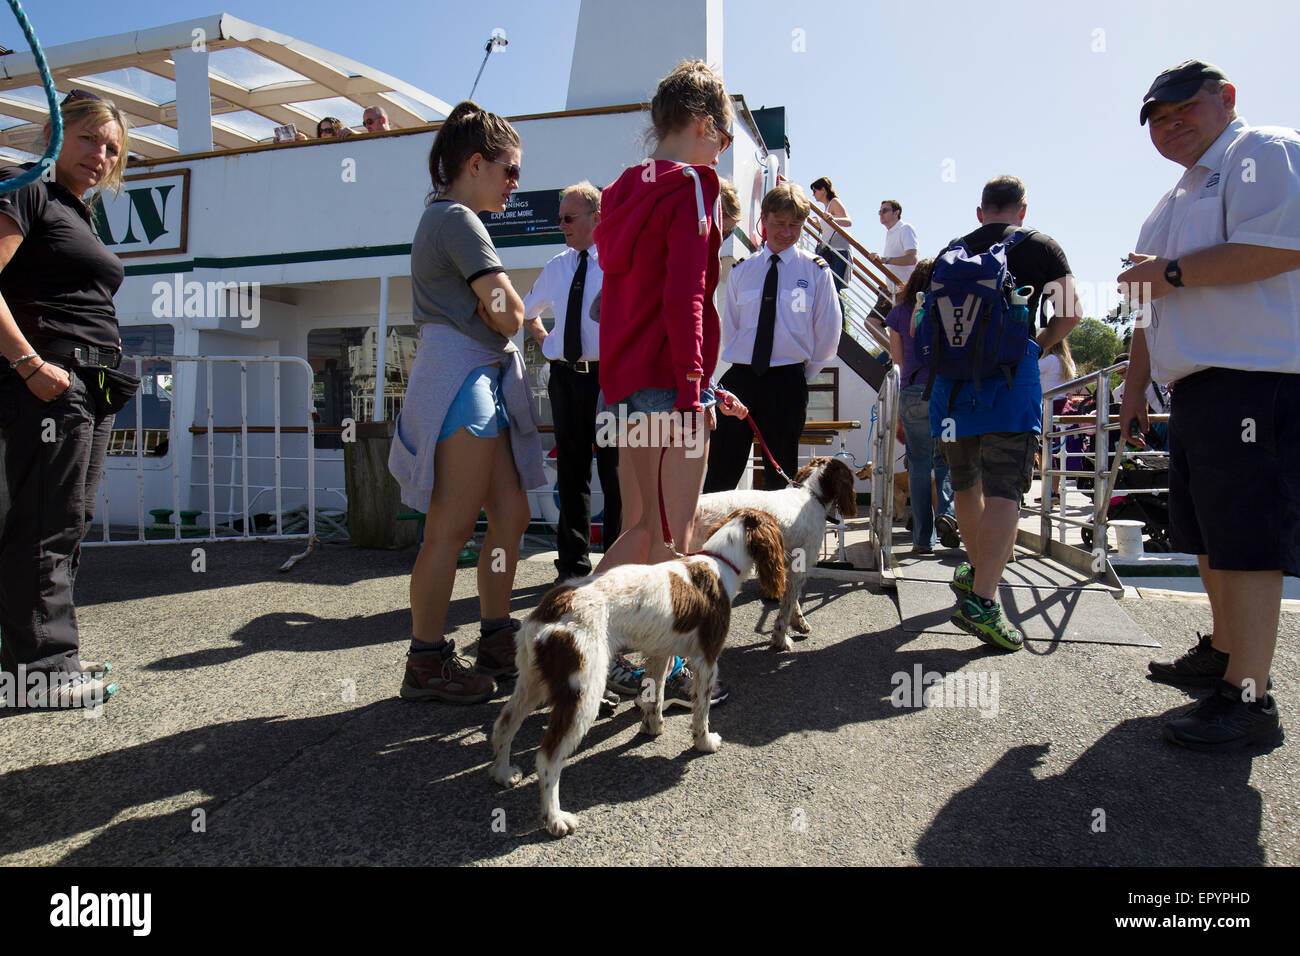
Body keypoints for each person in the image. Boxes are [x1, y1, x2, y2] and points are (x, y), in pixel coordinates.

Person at [1118, 59, 1299, 752]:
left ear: (1226, 99)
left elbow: (1281, 248)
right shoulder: (1169, 201)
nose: (1170, 125)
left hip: (1257, 372)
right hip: (1195, 382)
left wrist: (1165, 272)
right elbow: (1146, 300)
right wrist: (1136, 385)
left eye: (1183, 109)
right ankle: (1224, 654)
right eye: (1159, 119)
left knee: (1247, 535)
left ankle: (1250, 700)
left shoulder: (1266, 150)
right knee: (1208, 531)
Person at [593, 60, 746, 709]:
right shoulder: (693, 185)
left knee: (635, 531)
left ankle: (572, 638)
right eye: (726, 137)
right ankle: (647, 664)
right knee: (671, 538)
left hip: (624, 386)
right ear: (705, 125)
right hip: (671, 383)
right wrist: (694, 384)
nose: (724, 152)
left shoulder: (623, 189)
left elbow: (616, 302)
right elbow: (687, 293)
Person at [387, 101, 543, 704]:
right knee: (450, 528)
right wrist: (503, 309)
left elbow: (501, 312)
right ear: (475, 164)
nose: (514, 184)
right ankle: (426, 661)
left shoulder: (445, 218)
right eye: (509, 171)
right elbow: (511, 313)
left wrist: (499, 309)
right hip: (463, 383)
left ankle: (497, 637)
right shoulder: (457, 220)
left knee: (510, 516)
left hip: (470, 378)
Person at [0, 90, 130, 708]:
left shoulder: (75, 211)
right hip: (53, 384)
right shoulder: (26, 189)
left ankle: (35, 657)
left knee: (67, 523)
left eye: (110, 148)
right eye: (88, 138)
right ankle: (43, 673)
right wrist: (30, 366)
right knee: (47, 522)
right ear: (56, 133)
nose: (99, 155)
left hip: (90, 386)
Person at [932, 175, 1083, 651]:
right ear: (1021, 209)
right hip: (1009, 383)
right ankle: (982, 600)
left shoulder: (953, 250)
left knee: (966, 484)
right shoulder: (1040, 246)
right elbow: (1072, 312)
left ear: (981, 212)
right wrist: (1038, 345)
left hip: (951, 389)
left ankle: (977, 574)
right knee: (1005, 490)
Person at [704, 183, 843, 494]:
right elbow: (733, 330)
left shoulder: (816, 271)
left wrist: (795, 374)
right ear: (763, 220)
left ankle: (775, 543)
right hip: (741, 379)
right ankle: (710, 542)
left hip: (787, 382)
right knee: (721, 473)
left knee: (780, 479)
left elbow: (828, 335)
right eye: (780, 223)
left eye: (796, 224)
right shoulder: (742, 271)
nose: (787, 231)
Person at [522, 181, 620, 584]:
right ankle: (572, 568)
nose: (560, 224)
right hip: (566, 379)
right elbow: (526, 312)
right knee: (572, 472)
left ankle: (616, 568)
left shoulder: (617, 263)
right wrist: (547, 342)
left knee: (615, 475)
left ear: (597, 218)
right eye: (559, 217)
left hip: (609, 380)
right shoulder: (556, 266)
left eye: (568, 217)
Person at [885, 258, 958, 552]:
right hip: (945, 391)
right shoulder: (948, 308)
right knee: (946, 461)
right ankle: (947, 516)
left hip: (913, 391)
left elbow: (898, 360)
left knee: (918, 464)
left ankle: (922, 539)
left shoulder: (899, 312)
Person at [1037, 338, 1076, 503]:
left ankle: (1049, 490)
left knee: (1043, 452)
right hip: (1062, 408)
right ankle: (1054, 491)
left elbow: (1029, 372)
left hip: (1047, 407)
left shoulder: (1048, 361)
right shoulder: (1068, 363)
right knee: (1057, 452)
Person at [867, 199, 918, 326]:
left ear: (896, 213)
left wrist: (884, 260)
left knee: (899, 329)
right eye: (879, 211)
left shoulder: (905, 228)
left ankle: (896, 346)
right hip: (891, 289)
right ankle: (893, 347)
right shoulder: (890, 233)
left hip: (905, 289)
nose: (881, 214)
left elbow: (912, 258)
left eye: (884, 210)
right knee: (872, 322)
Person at [810, 177, 853, 297]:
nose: (813, 195)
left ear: (823, 189)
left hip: (839, 251)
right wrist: (819, 224)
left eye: (815, 191)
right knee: (829, 288)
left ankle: (839, 316)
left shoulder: (834, 202)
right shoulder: (827, 207)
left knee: (833, 289)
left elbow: (848, 222)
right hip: (830, 250)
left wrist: (833, 219)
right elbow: (829, 229)